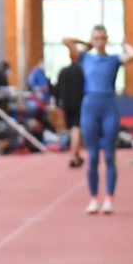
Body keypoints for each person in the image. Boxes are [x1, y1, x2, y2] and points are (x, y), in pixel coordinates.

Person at [64, 27, 133, 215]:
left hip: (109, 106)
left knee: (109, 155)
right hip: (90, 106)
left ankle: (109, 199)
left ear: (107, 39)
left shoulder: (113, 60)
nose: (100, 41)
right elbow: (66, 40)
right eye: (96, 38)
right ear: (93, 40)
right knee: (93, 156)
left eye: (103, 38)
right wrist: (84, 43)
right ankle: (93, 199)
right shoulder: (85, 58)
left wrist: (123, 44)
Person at [54, 39, 85, 169]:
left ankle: (76, 154)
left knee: (72, 128)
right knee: (76, 128)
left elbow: (57, 89)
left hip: (66, 103)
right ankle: (73, 156)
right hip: (78, 103)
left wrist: (58, 103)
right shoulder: (82, 71)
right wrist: (84, 42)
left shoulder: (63, 71)